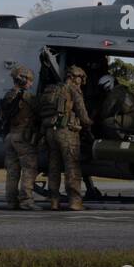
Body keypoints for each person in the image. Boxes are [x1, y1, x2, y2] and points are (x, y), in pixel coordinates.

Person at [39, 65, 92, 211]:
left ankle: (54, 201)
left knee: (54, 167)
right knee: (72, 166)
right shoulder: (73, 90)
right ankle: (75, 201)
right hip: (67, 133)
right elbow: (82, 114)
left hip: (50, 132)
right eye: (80, 78)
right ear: (74, 77)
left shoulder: (53, 90)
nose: (81, 82)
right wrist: (90, 124)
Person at [0, 64, 40, 210]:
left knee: (12, 171)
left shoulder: (7, 96)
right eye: (29, 80)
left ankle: (11, 201)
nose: (31, 83)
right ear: (23, 80)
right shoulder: (28, 97)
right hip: (23, 137)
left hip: (10, 136)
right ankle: (26, 201)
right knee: (29, 168)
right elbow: (38, 113)